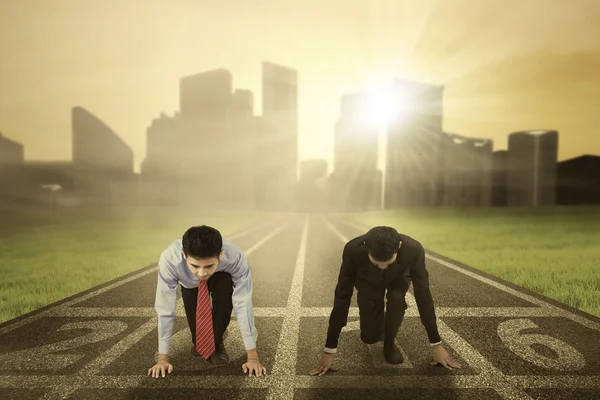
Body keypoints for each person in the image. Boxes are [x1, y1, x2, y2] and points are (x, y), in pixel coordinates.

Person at [310, 226, 461, 375]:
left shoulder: (413, 250)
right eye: (376, 263)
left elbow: (423, 294)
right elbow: (342, 296)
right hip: (367, 280)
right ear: (365, 248)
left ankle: (389, 342)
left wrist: (436, 345)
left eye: (388, 262)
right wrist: (329, 350)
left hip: (398, 277)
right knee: (369, 337)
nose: (382, 266)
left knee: (396, 299)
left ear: (399, 247)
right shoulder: (352, 250)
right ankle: (376, 322)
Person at [148, 225, 267, 378]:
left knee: (225, 283)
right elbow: (165, 308)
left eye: (209, 265)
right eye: (195, 265)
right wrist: (162, 359)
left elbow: (243, 303)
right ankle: (204, 342)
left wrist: (252, 357)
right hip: (189, 285)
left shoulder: (235, 257)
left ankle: (216, 342)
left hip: (222, 279)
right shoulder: (169, 260)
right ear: (184, 255)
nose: (202, 273)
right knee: (198, 341)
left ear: (221, 254)